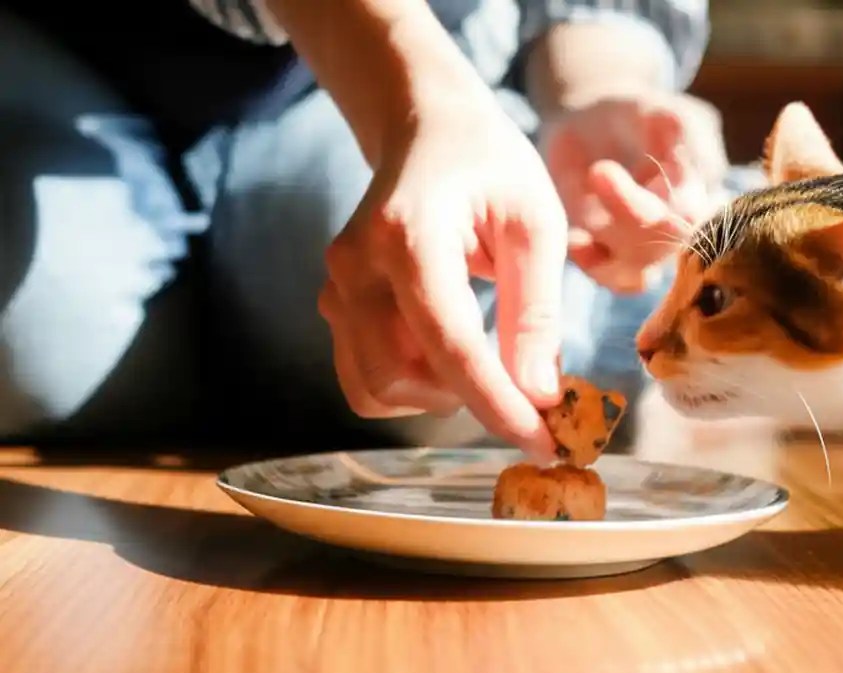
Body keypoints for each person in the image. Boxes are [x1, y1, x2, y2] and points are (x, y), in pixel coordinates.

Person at [0, 0, 750, 458]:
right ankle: (239, 328)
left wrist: (593, 91)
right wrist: (419, 102)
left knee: (434, 309)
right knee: (31, 343)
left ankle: (220, 322)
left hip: (355, 70)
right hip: (56, 46)